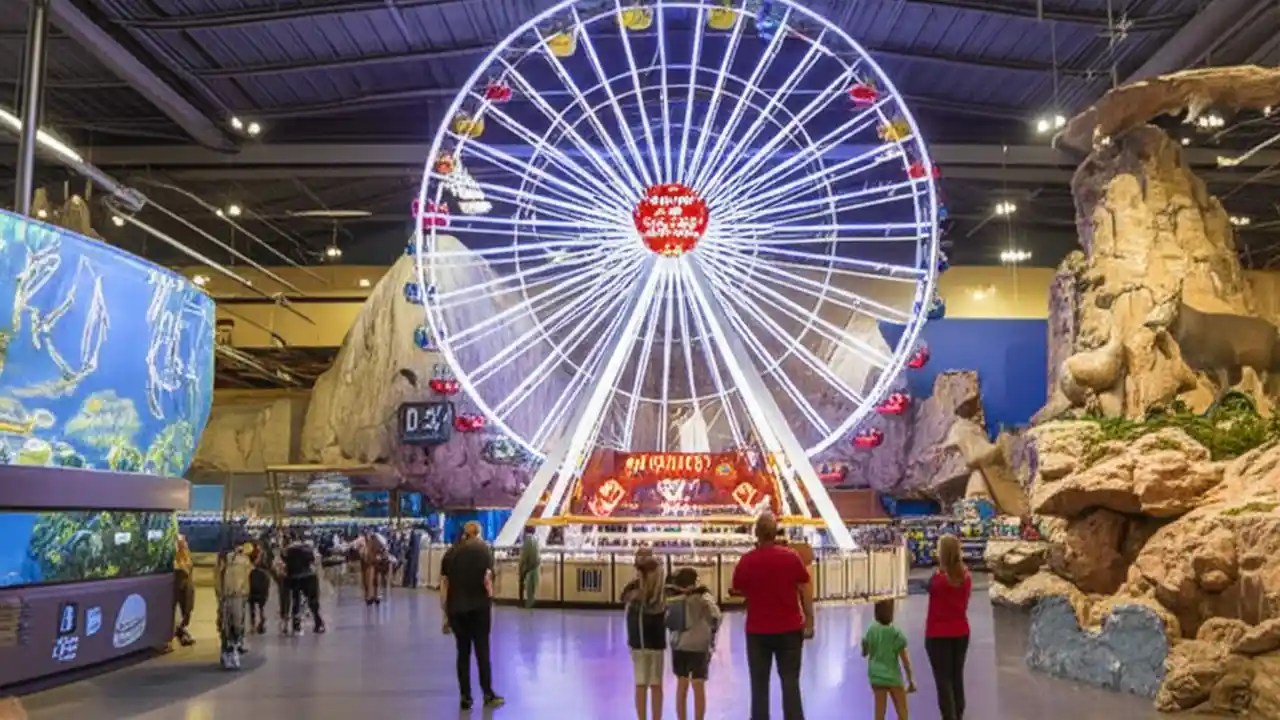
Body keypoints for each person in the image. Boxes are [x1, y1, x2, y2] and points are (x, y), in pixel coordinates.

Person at [730, 513, 813, 720]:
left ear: (756, 534)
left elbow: (737, 588)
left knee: (759, 686)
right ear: (776, 533)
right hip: (790, 630)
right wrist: (810, 621)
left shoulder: (747, 561)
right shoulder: (791, 557)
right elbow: (804, 589)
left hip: (758, 631)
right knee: (790, 683)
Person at [440, 521, 503, 710]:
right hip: (479, 608)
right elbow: (487, 581)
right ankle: (487, 694)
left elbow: (444, 586)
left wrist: (445, 615)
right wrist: (491, 599)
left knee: (463, 653)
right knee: (482, 651)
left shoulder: (450, 553)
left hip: (457, 609)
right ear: (478, 534)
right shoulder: (484, 550)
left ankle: (465, 697)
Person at [925, 534, 972, 720]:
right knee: (956, 678)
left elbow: (929, 585)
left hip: (937, 634)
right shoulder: (966, 578)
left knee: (943, 681)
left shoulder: (938, 580)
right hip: (961, 632)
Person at [668, 567, 721, 720]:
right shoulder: (704, 597)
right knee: (698, 685)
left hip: (679, 646)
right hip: (699, 646)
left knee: (681, 684)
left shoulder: (675, 599)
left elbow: (670, 623)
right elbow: (715, 616)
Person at [620, 549, 666, 720]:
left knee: (641, 683)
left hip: (639, 640)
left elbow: (623, 598)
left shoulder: (634, 590)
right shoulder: (662, 592)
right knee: (656, 684)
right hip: (656, 641)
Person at [862, 599, 916, 719]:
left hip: (876, 677)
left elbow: (865, 652)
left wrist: (865, 647)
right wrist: (910, 680)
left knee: (879, 714)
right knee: (903, 713)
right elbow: (905, 660)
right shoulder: (896, 633)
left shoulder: (871, 631)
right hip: (893, 677)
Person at [215, 543, 254, 669]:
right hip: (226, 597)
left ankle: (234, 648)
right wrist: (220, 595)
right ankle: (227, 651)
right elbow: (218, 577)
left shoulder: (244, 560)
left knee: (237, 624)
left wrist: (245, 593)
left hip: (239, 596)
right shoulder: (224, 559)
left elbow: (247, 577)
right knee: (226, 625)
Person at [282, 533, 326, 635]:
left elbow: (284, 565)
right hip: (309, 576)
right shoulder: (307, 548)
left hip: (294, 578)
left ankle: (296, 625)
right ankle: (318, 622)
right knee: (312, 601)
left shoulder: (287, 550)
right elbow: (313, 561)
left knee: (296, 601)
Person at [352, 528, 390, 605]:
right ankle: (371, 596)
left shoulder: (376, 539)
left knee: (373, 579)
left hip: (372, 562)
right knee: (370, 579)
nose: (368, 535)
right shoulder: (364, 539)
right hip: (369, 562)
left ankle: (373, 596)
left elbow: (384, 547)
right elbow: (354, 546)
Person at [173, 534, 195, 647]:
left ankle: (182, 631)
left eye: (185, 542)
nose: (185, 544)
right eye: (182, 543)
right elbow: (183, 570)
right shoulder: (176, 558)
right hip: (179, 588)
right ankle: (180, 633)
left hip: (188, 587)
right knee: (179, 612)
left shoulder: (187, 554)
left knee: (187, 610)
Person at [248, 544, 271, 635]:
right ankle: (260, 621)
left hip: (253, 589)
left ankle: (253, 625)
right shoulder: (264, 572)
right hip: (261, 589)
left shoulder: (250, 570)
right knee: (261, 607)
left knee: (252, 607)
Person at [518, 527, 541, 609]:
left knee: (528, 587)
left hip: (528, 567)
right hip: (535, 566)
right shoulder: (535, 539)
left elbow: (524, 556)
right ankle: (530, 602)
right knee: (532, 586)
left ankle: (527, 604)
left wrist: (521, 567)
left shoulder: (527, 541)